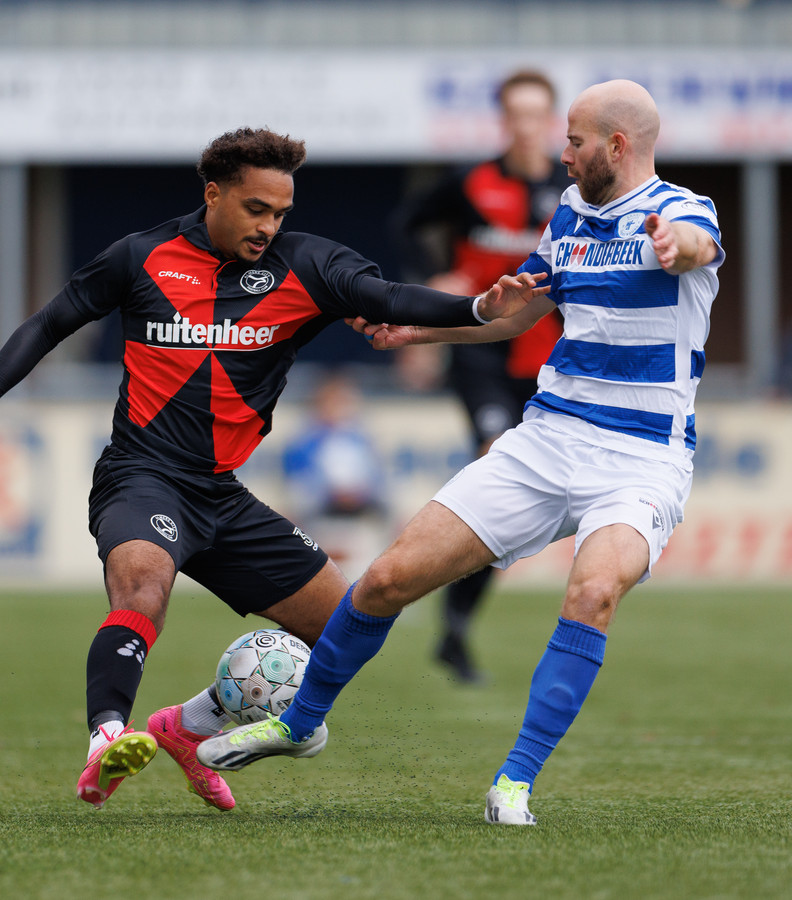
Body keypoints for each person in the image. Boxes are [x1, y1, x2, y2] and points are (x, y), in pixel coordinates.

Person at [0, 128, 542, 811]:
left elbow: (389, 298)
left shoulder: (308, 266)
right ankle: (106, 739)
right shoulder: (140, 257)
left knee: (345, 632)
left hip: (222, 496)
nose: (269, 226)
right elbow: (47, 323)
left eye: (280, 213)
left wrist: (477, 308)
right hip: (140, 476)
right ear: (213, 194)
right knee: (144, 586)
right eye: (255, 209)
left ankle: (185, 727)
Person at [197, 81, 723, 829]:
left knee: (592, 594)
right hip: (545, 440)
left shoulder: (682, 212)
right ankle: (297, 721)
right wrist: (424, 334)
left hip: (641, 460)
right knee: (386, 578)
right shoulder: (570, 213)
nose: (561, 153)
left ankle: (513, 783)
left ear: (616, 145)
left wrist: (678, 247)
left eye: (573, 141)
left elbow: (696, 243)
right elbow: (521, 316)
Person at [393, 68, 572, 684]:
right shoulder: (471, 182)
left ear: (550, 121)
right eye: (515, 113)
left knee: (524, 498)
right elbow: (409, 221)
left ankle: (455, 628)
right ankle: (412, 589)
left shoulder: (569, 188)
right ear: (503, 120)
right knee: (497, 462)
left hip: (549, 358)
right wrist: (436, 276)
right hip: (481, 352)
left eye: (536, 113)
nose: (526, 124)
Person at [280, 371, 389, 579]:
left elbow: (376, 479)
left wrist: (361, 493)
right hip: (321, 512)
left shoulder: (361, 439)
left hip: (362, 509)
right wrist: (330, 494)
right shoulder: (303, 441)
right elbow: (297, 485)